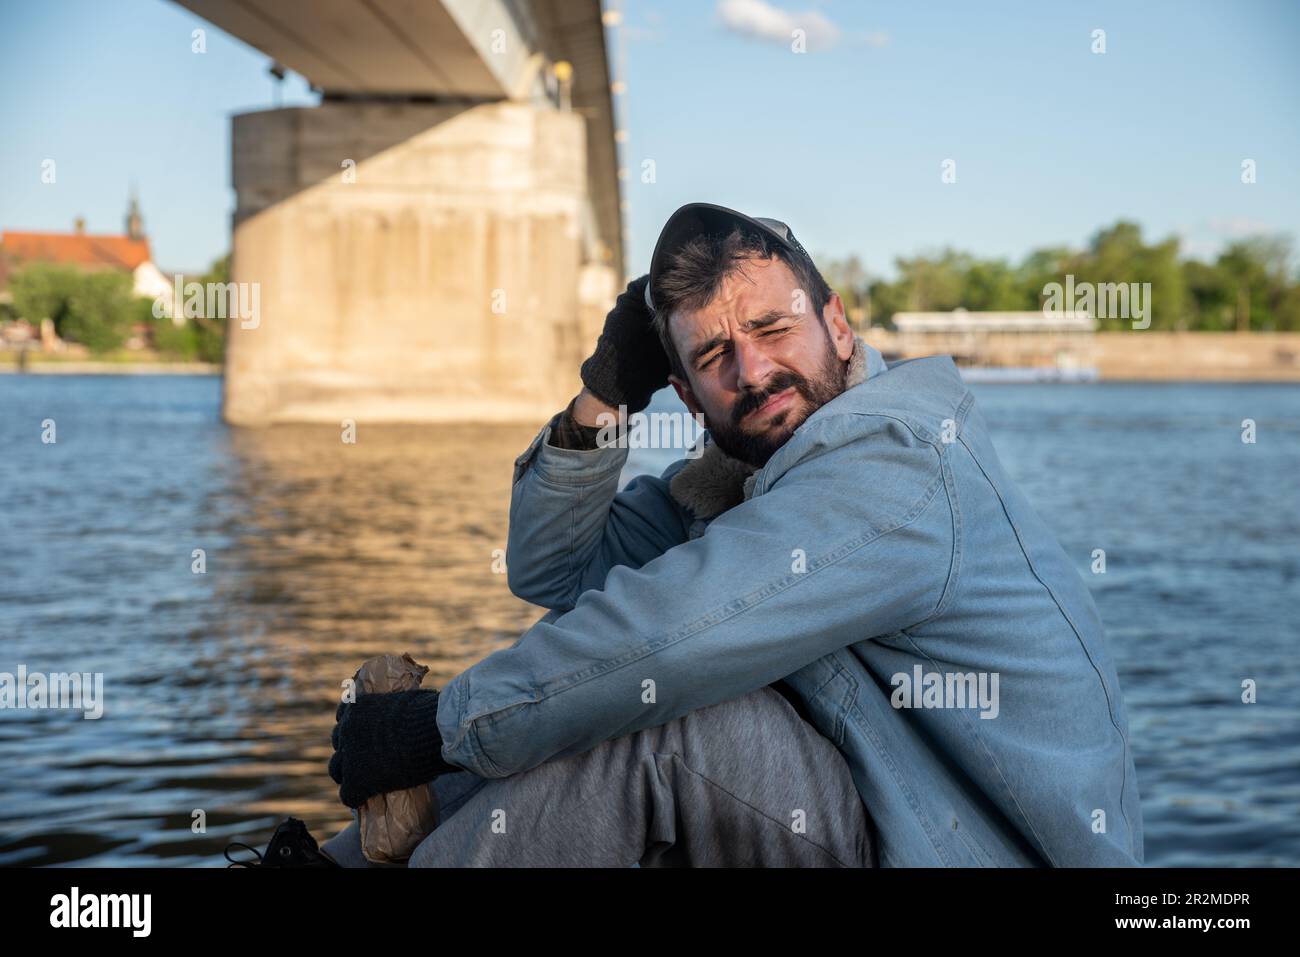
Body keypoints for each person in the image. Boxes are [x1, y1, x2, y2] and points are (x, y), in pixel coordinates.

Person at [314, 202, 1143, 868]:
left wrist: (434, 730)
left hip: (974, 848)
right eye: (714, 354)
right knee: (584, 677)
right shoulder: (733, 485)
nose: (751, 371)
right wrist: (604, 394)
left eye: (773, 329)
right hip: (878, 819)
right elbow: (553, 568)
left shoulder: (897, 467)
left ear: (838, 325)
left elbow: (664, 642)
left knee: (662, 716)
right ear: (681, 389)